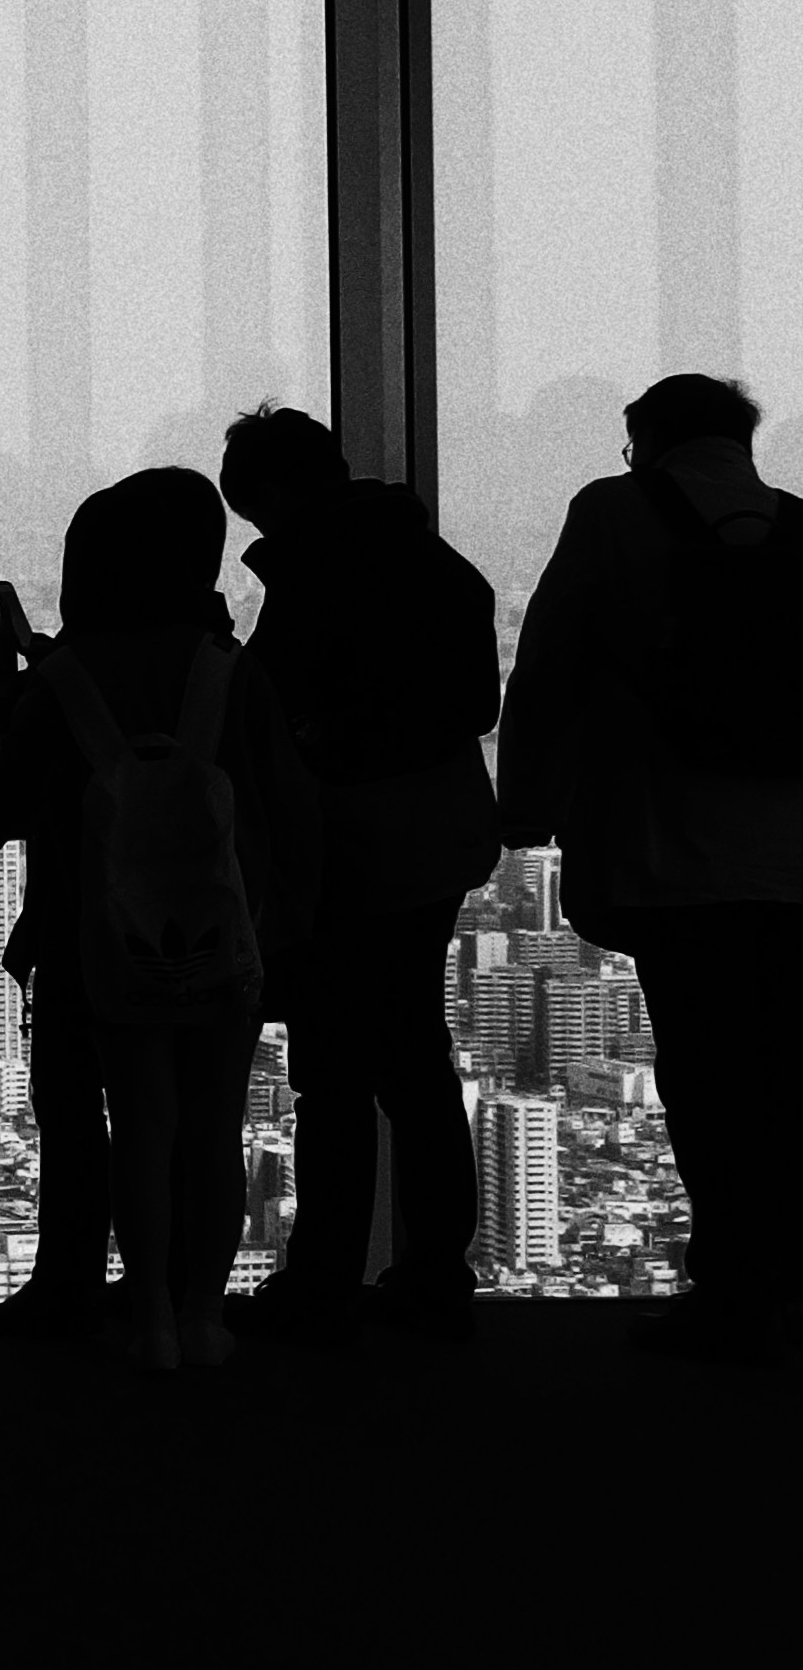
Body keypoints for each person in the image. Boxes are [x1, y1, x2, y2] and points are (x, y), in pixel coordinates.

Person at [0, 469, 314, 1372]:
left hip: (87, 945)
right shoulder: (234, 675)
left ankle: (126, 1306)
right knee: (209, 1131)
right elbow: (289, 811)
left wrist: (4, 704)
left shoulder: (67, 679)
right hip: (216, 945)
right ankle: (202, 1313)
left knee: (109, 1124)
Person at [500, 373, 803, 1363]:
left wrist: (525, 806)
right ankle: (777, 1293)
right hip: (790, 862)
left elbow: (543, 665)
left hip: (670, 853)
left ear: (641, 441)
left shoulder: (611, 513)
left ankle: (730, 1297)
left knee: (708, 1083)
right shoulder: (801, 529)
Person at [217, 403, 502, 1346]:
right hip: (438, 838)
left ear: (278, 494)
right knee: (416, 1055)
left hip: (348, 847)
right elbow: (474, 700)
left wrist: (319, 738)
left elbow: (271, 711)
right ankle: (432, 1267)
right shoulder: (439, 565)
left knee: (333, 1069)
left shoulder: (315, 576)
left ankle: (326, 1272)